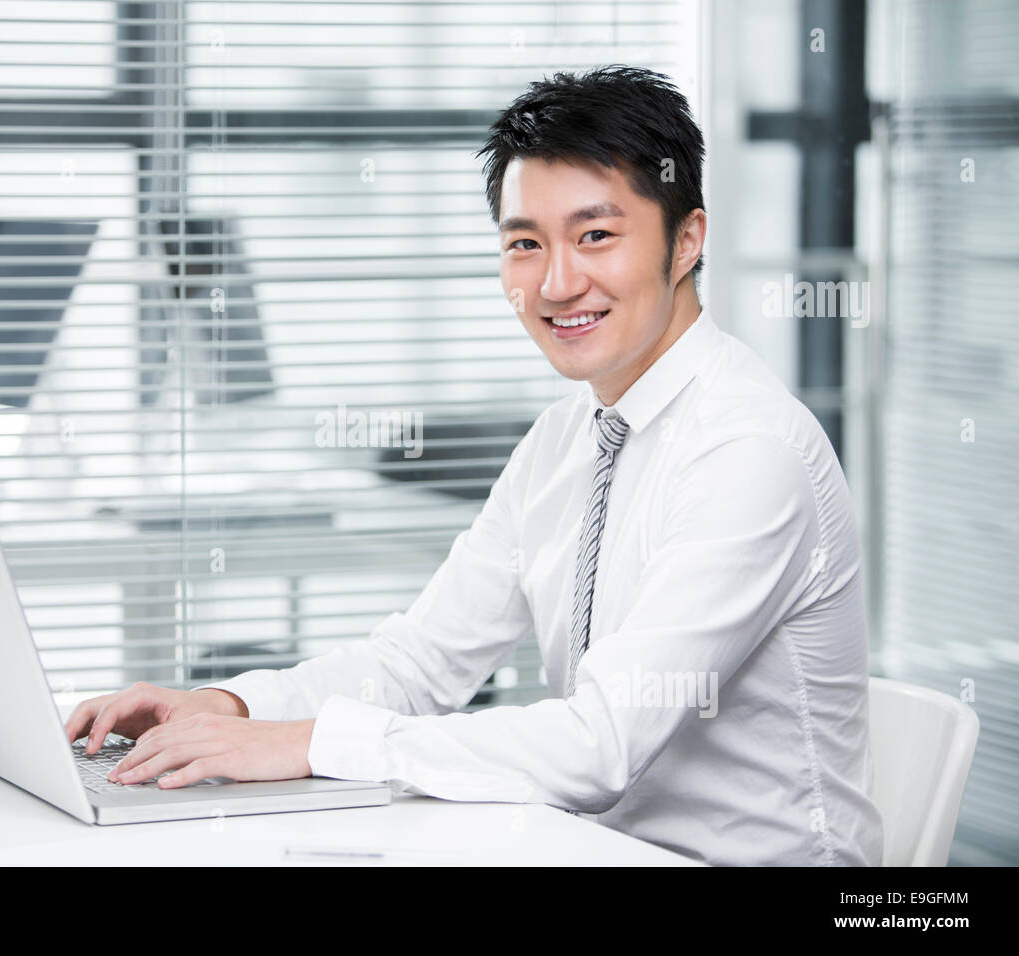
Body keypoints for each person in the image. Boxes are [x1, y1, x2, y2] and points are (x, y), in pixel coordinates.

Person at [65, 66, 883, 866]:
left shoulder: (748, 452)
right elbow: (419, 663)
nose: (559, 283)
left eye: (596, 235)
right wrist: (231, 707)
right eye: (526, 244)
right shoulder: (567, 439)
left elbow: (601, 742)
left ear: (686, 241)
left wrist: (307, 743)